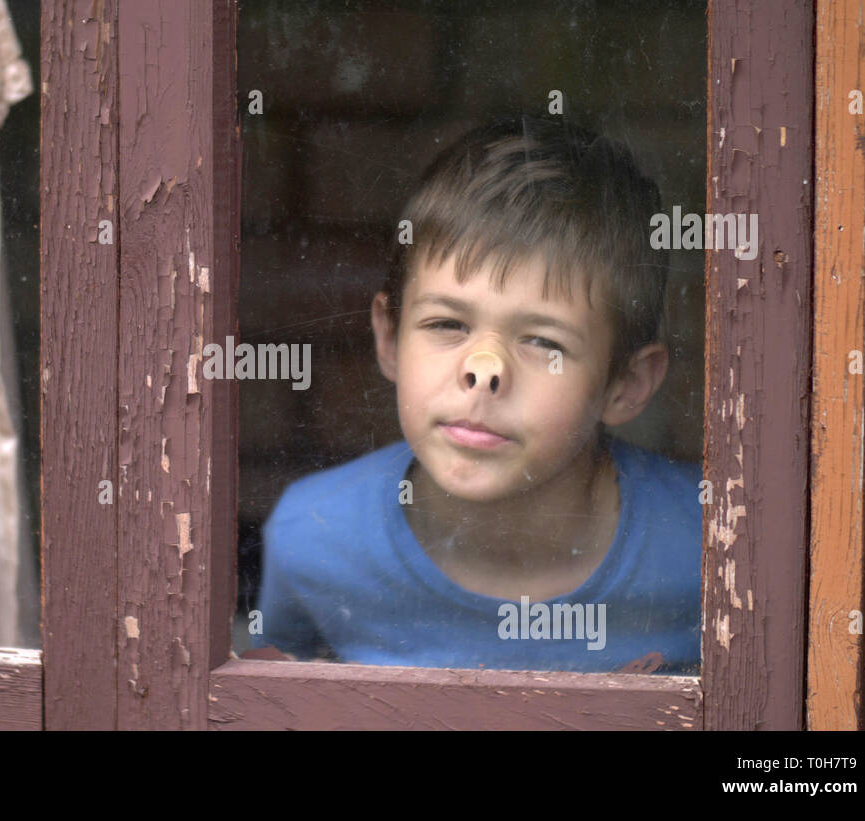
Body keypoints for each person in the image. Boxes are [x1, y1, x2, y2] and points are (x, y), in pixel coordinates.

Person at [251, 117, 701, 673]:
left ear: (625, 384)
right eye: (446, 324)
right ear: (389, 338)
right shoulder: (314, 538)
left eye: (542, 341)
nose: (483, 370)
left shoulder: (712, 547)